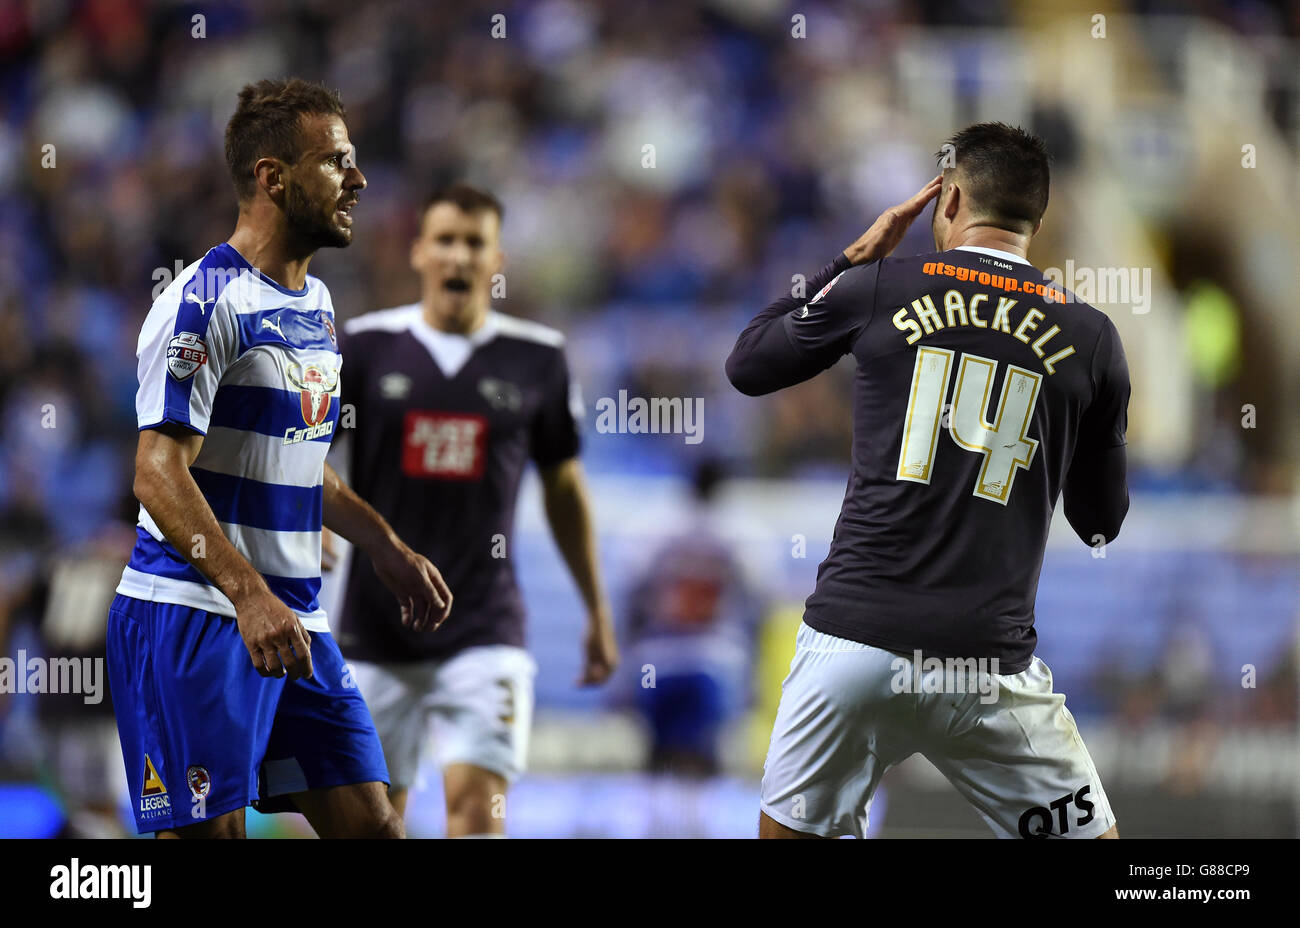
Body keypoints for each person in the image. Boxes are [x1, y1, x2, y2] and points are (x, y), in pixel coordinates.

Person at [726, 123, 1129, 839]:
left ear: (947, 199)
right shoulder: (1091, 335)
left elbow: (749, 364)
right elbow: (1099, 523)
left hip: (851, 646)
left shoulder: (880, 285)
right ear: (1039, 218)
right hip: (986, 667)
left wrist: (850, 259)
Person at [106, 78, 452, 838]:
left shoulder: (317, 304)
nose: (357, 179)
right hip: (195, 616)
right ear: (273, 178)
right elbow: (156, 470)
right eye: (335, 162)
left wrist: (383, 546)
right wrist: (247, 593)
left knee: (377, 827)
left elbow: (296, 459)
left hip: (294, 619)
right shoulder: (202, 302)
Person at [328, 183, 617, 837]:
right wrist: (312, 524)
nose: (459, 257)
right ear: (419, 252)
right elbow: (302, 458)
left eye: (474, 243)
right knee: (374, 824)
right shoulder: (365, 348)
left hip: (484, 625)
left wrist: (597, 610)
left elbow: (565, 489)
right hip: (375, 627)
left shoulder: (538, 358)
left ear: (498, 259)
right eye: (446, 241)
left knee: (477, 815)